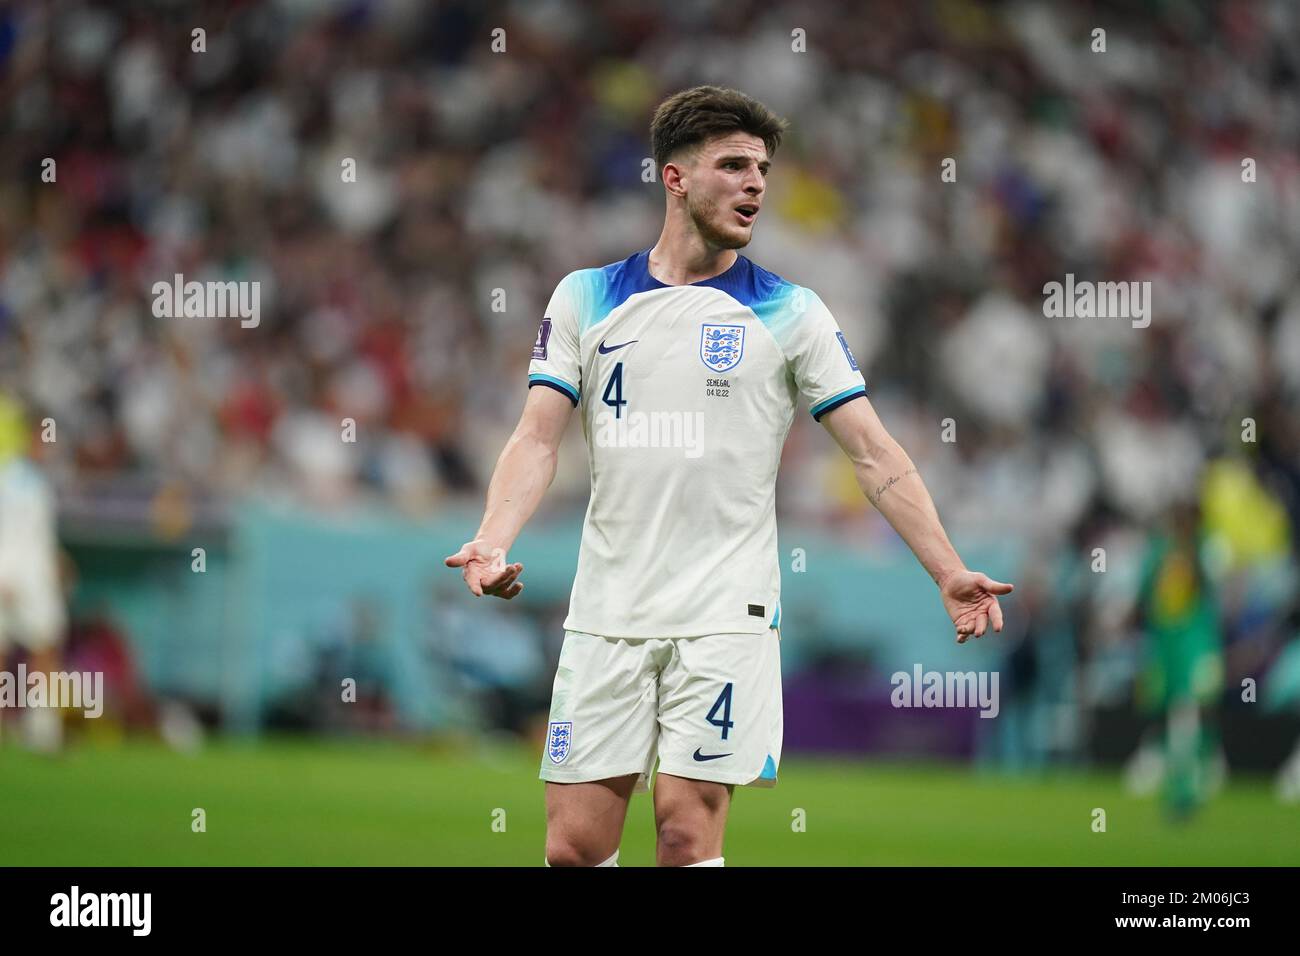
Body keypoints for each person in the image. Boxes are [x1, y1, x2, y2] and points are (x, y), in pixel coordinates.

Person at [446, 86, 1013, 867]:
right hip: (608, 606)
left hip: (726, 612)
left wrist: (947, 570)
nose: (756, 183)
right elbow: (536, 438)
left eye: (763, 169)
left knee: (683, 837)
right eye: (733, 165)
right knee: (574, 850)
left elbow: (875, 453)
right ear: (674, 178)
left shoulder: (792, 313)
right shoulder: (586, 296)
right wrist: (492, 537)